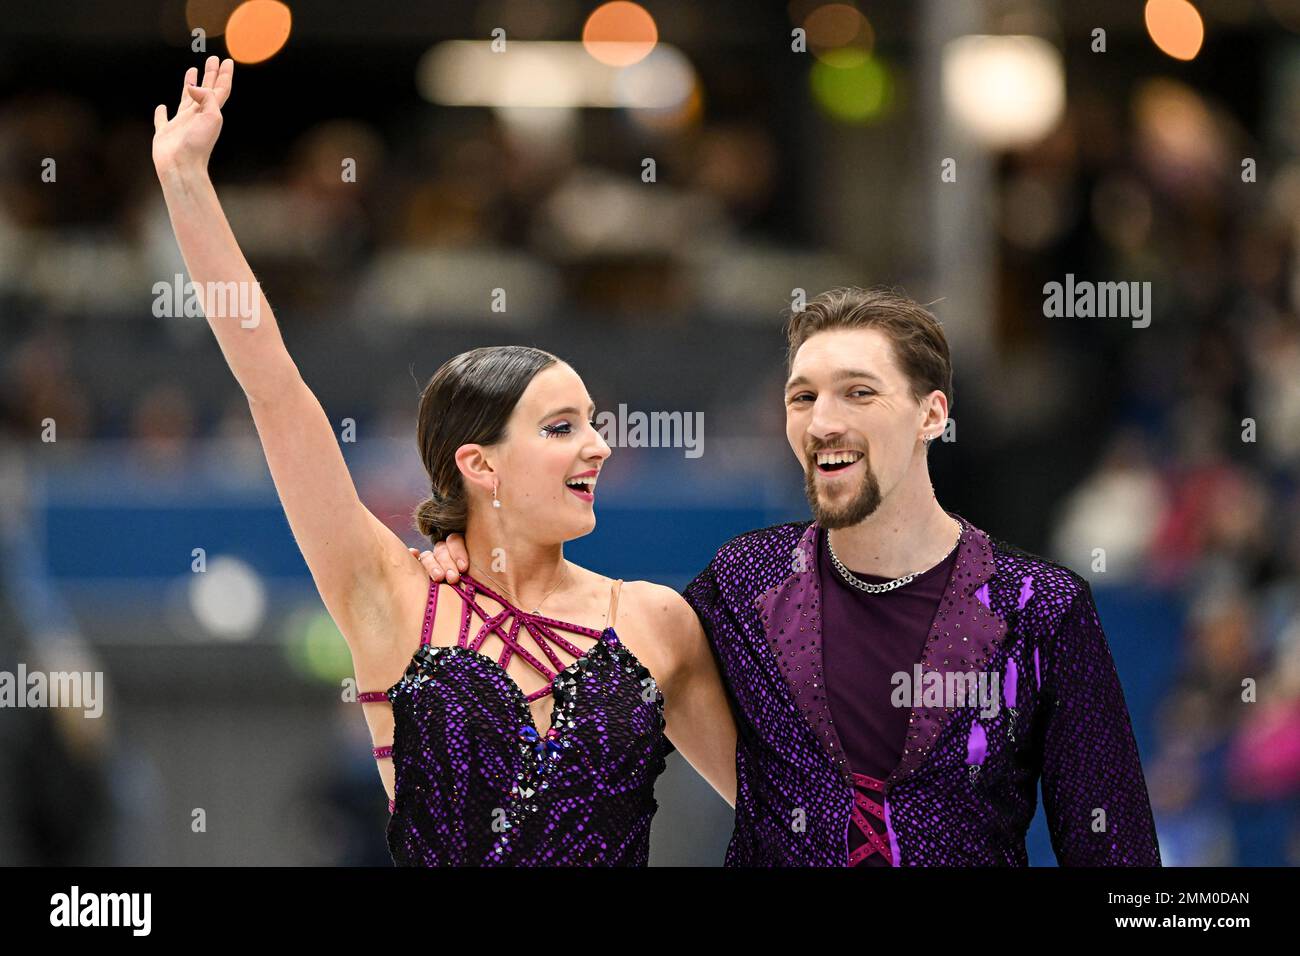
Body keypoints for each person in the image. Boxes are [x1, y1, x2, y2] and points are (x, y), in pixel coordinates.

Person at [151, 57, 736, 866]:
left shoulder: (656, 621)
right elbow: (274, 388)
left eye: (593, 424)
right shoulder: (388, 597)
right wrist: (185, 181)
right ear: (480, 465)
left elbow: (790, 814)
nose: (599, 444)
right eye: (562, 427)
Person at [421, 287, 1162, 866]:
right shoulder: (742, 586)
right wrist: (471, 552)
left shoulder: (1042, 609)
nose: (822, 422)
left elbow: (1118, 856)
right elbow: (581, 646)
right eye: (802, 396)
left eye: (859, 393)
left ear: (932, 414)